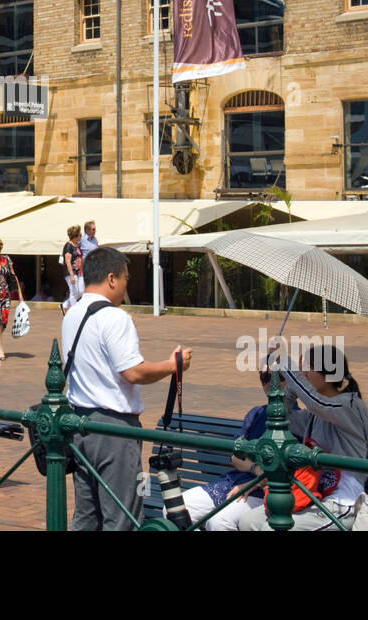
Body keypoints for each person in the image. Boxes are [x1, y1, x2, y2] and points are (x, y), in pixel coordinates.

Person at [63, 246, 192, 531]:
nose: (125, 286)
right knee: (123, 514)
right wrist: (173, 365)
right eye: (125, 279)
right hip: (115, 429)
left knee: (87, 515)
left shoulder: (72, 314)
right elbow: (133, 372)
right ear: (111, 278)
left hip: (81, 425)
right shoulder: (114, 317)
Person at [237, 341, 368, 531]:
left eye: (307, 368)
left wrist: (286, 364)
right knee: (248, 522)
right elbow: (282, 415)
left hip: (341, 503)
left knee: (272, 529)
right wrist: (283, 378)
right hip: (309, 495)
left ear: (327, 374)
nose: (303, 374)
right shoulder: (313, 415)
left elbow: (317, 403)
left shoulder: (350, 405)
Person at [181, 369, 272, 530]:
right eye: (264, 377)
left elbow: (291, 472)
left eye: (276, 376)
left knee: (218, 521)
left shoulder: (300, 420)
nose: (268, 382)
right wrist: (257, 470)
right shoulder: (256, 413)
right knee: (176, 508)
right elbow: (235, 457)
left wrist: (257, 482)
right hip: (234, 481)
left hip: (264, 491)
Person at [62, 225, 85, 312]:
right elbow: (68, 261)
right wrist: (71, 275)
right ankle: (74, 312)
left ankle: (64, 305)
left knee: (81, 291)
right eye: (80, 234)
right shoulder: (68, 246)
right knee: (74, 292)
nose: (81, 236)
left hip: (79, 272)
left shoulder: (78, 245)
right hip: (71, 272)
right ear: (75, 236)